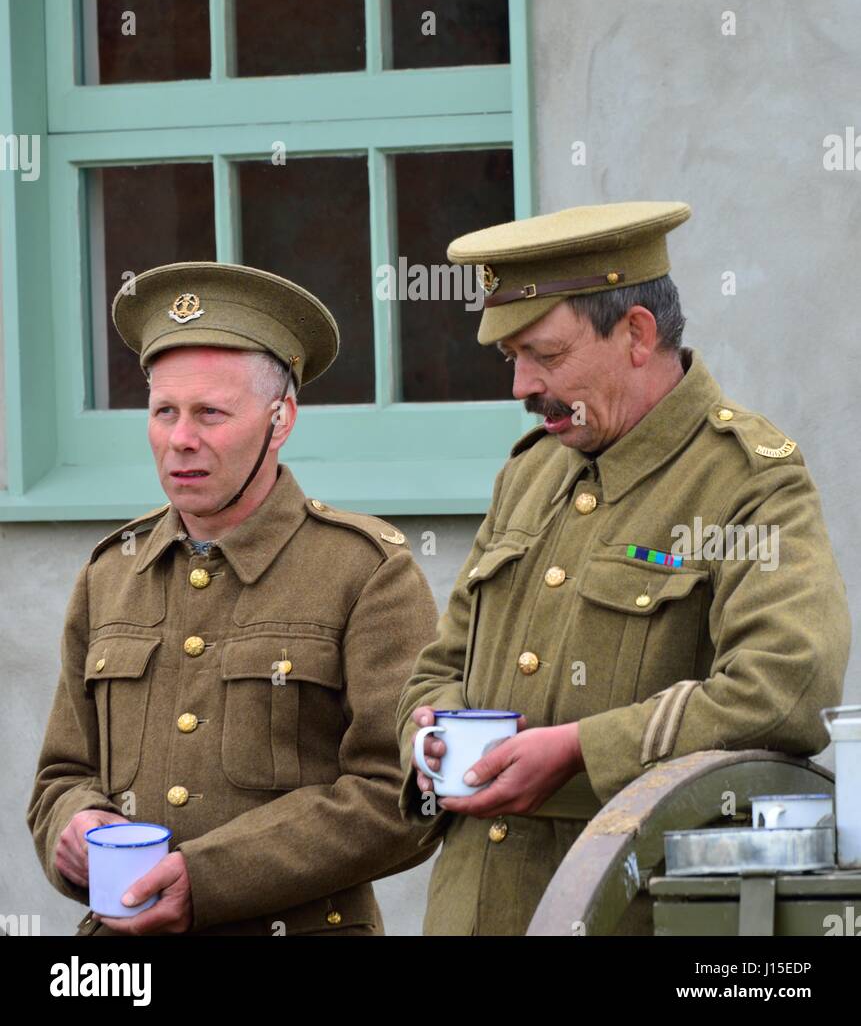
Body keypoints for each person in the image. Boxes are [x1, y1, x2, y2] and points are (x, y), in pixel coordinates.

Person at [396, 200, 852, 936]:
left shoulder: (745, 479)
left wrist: (580, 750)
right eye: (509, 359)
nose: (520, 389)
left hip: (626, 913)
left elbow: (784, 688)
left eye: (544, 355)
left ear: (636, 334)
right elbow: (436, 669)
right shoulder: (531, 473)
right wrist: (425, 738)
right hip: (472, 910)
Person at [27, 261, 440, 936]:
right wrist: (73, 824)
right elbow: (61, 773)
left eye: (210, 414)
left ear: (280, 421)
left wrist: (208, 877)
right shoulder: (111, 572)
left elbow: (400, 796)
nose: (180, 440)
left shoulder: (365, 572)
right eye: (164, 412)